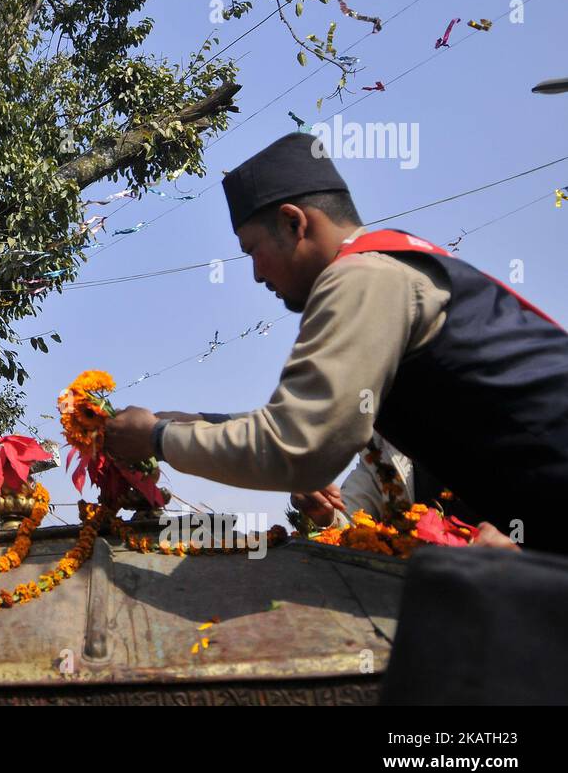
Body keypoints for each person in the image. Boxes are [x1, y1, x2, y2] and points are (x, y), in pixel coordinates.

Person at [105, 132, 568, 552]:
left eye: (253, 251)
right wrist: (197, 422)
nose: (257, 274)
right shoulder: (388, 264)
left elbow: (300, 449)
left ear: (293, 223)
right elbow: (320, 418)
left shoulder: (361, 277)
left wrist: (157, 438)